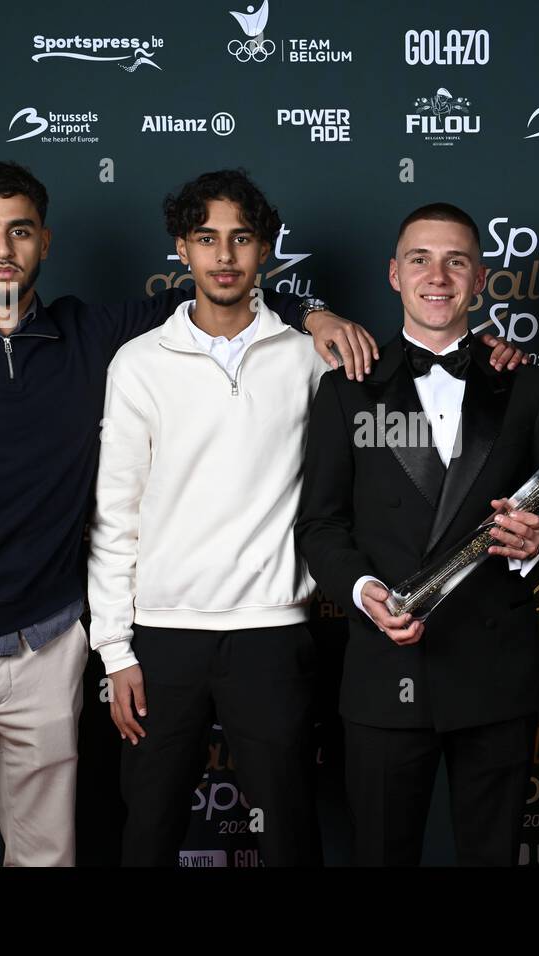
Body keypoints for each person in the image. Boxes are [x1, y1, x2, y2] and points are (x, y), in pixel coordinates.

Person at [0, 159, 401, 867]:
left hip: (48, 651)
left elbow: (226, 292)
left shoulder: (91, 336)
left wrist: (313, 312)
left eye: (19, 231)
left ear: (45, 241)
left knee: (48, 857)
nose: (2, 249)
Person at [297, 203, 539, 866]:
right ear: (395, 274)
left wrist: (537, 544)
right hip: (386, 670)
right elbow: (321, 524)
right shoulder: (346, 391)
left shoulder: (527, 384)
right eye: (420, 260)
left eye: (456, 261)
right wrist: (363, 591)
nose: (437, 276)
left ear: (480, 279)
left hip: (494, 672)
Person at [88, 170, 328, 866]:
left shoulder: (310, 357)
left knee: (289, 833)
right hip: (164, 639)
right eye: (206, 238)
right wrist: (116, 650)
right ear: (182, 248)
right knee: (148, 829)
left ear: (266, 248)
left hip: (273, 632)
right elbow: (116, 513)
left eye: (241, 238)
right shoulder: (139, 363)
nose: (224, 256)